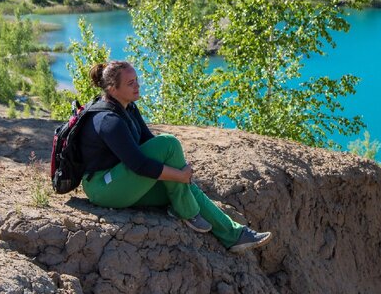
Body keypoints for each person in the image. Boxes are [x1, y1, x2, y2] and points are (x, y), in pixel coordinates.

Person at [78, 59, 272, 253]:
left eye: (137, 80)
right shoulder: (108, 120)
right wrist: (179, 174)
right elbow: (140, 165)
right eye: (131, 83)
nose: (137, 86)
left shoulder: (128, 107)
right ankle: (186, 211)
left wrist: (179, 173)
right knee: (170, 148)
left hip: (123, 179)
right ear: (112, 89)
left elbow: (148, 141)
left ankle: (234, 235)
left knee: (185, 188)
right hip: (102, 187)